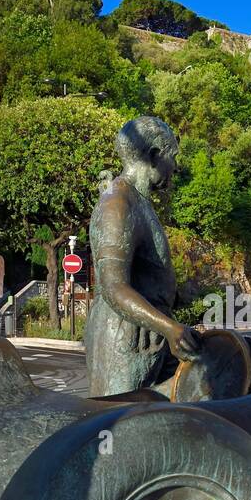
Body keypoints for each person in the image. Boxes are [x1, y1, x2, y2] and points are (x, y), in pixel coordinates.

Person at [86, 116, 202, 397]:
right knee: (123, 424)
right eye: (171, 157)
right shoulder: (117, 204)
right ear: (153, 156)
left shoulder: (139, 201)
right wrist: (170, 328)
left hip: (149, 335)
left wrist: (170, 329)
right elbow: (113, 287)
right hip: (124, 339)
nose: (174, 166)